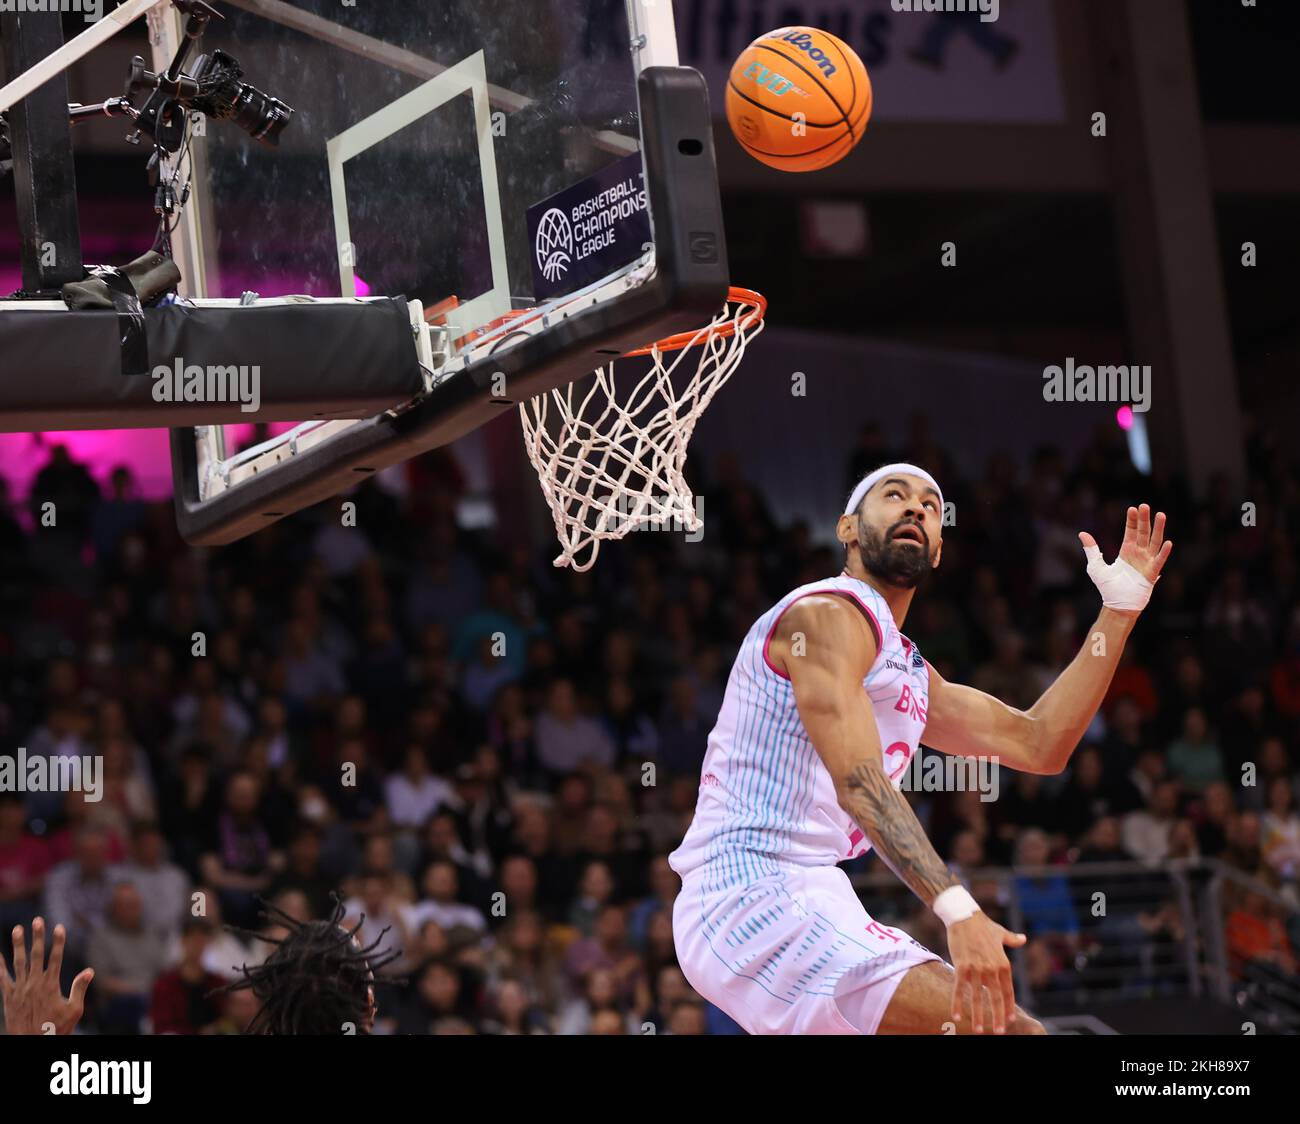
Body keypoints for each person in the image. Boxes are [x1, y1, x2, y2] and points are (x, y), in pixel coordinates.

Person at [670, 464, 1172, 1035]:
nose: (915, 508)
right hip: (750, 889)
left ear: (937, 550)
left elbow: (1039, 743)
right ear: (848, 529)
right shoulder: (824, 615)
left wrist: (1120, 611)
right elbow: (860, 782)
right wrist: (957, 908)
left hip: (806, 890)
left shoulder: (902, 666)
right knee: (1010, 1032)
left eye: (931, 506)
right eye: (894, 496)